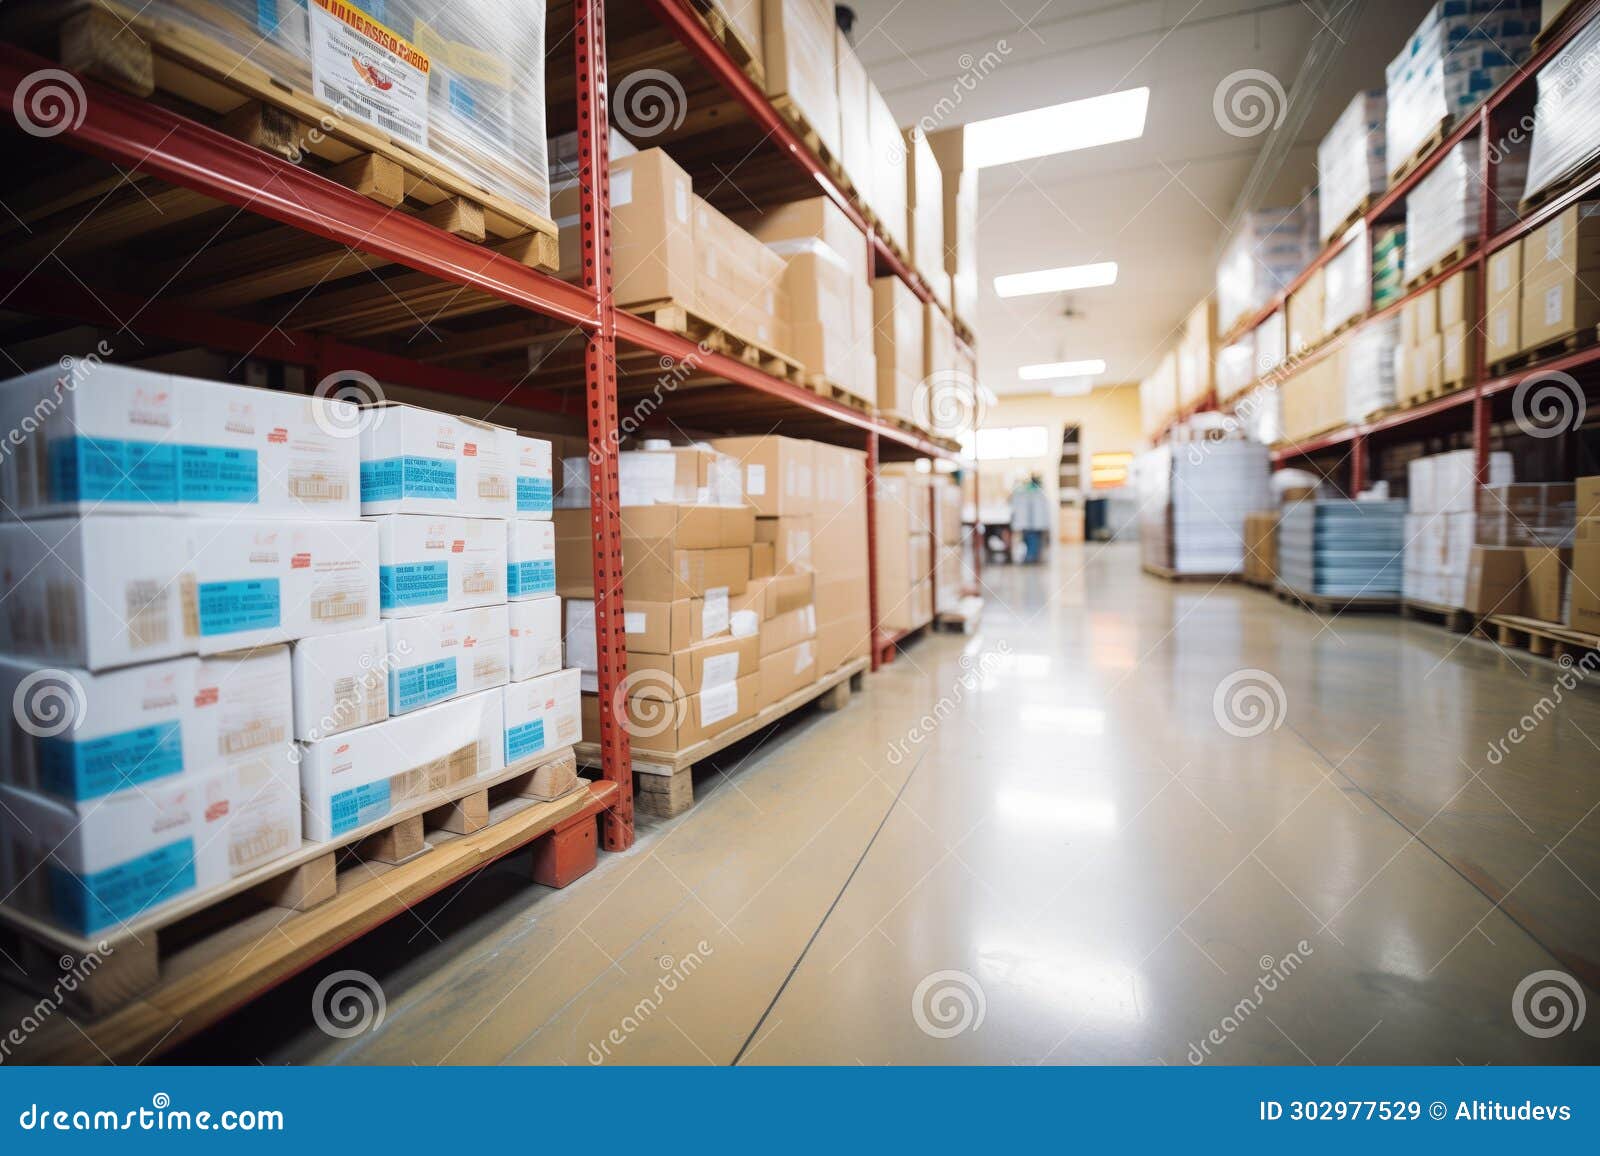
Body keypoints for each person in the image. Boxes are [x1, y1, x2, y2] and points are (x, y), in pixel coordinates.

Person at [1010, 474, 1051, 564]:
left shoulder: (1025, 491)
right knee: (1031, 540)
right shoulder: (1036, 492)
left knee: (1032, 540)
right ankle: (1031, 557)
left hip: (1030, 523)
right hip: (1033, 523)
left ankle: (1031, 557)